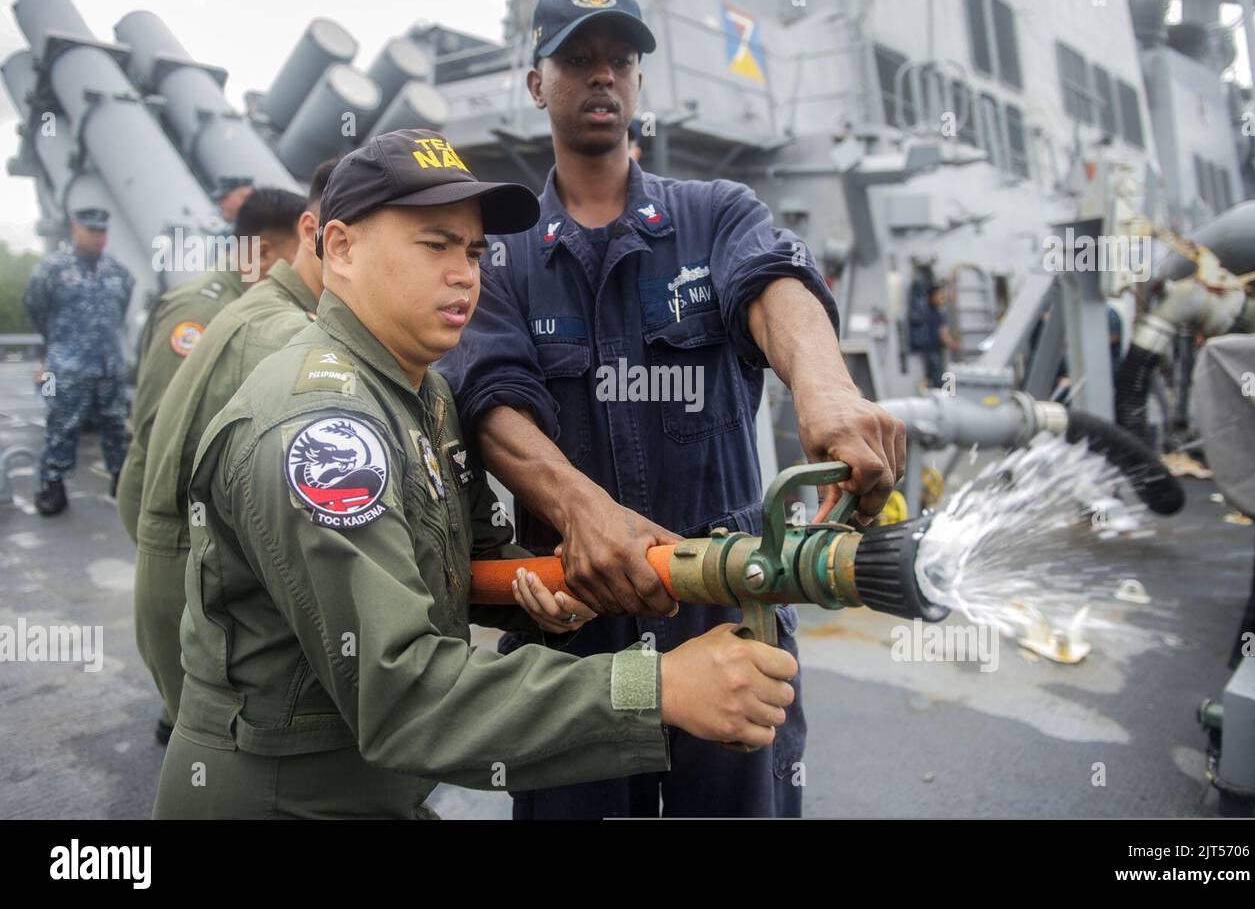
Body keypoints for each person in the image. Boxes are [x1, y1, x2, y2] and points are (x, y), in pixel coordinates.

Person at [153, 129, 798, 819]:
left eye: (473, 251)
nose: (465, 273)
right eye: (434, 245)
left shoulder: (423, 395)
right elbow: (402, 693)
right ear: (339, 248)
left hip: (375, 786)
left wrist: (543, 595)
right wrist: (658, 684)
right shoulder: (323, 428)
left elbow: (462, 562)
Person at [437, 0, 906, 818]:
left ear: (640, 81)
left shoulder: (716, 214)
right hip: (572, 631)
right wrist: (581, 509)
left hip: (729, 618)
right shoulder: (501, 257)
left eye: (621, 59)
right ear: (537, 83)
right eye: (577, 60)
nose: (603, 76)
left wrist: (828, 391)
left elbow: (774, 283)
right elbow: (492, 396)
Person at [134, 169, 334, 745]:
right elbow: (154, 446)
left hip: (194, 577)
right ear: (313, 234)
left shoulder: (270, 310)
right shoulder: (279, 334)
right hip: (196, 585)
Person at [118, 189, 304, 542]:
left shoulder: (251, 304)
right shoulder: (201, 310)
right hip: (173, 509)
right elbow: (163, 425)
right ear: (263, 253)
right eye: (302, 255)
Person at [21, 207, 133, 516]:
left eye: (102, 231)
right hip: (65, 366)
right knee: (61, 424)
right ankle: (53, 485)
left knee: (114, 425)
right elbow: (35, 308)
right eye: (91, 230)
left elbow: (120, 311)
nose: (98, 237)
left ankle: (120, 480)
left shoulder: (119, 272)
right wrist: (58, 342)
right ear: (75, 230)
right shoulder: (51, 270)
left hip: (109, 365)